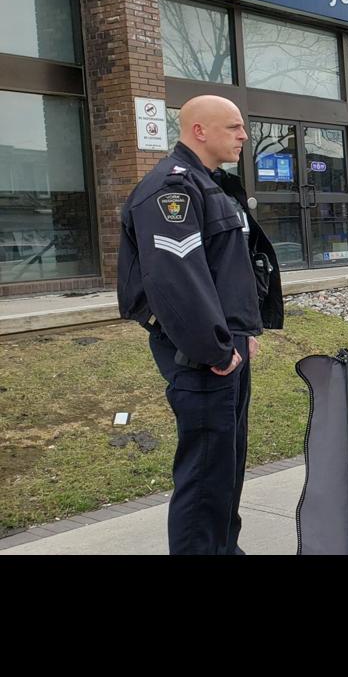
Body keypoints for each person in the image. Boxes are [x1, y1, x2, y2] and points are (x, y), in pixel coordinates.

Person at [116, 94, 281, 555]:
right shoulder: (171, 189)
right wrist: (216, 348)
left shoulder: (214, 186)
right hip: (202, 358)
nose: (244, 135)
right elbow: (175, 280)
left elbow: (229, 269)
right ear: (199, 131)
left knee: (226, 467)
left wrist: (244, 334)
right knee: (205, 474)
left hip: (226, 351)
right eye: (234, 127)